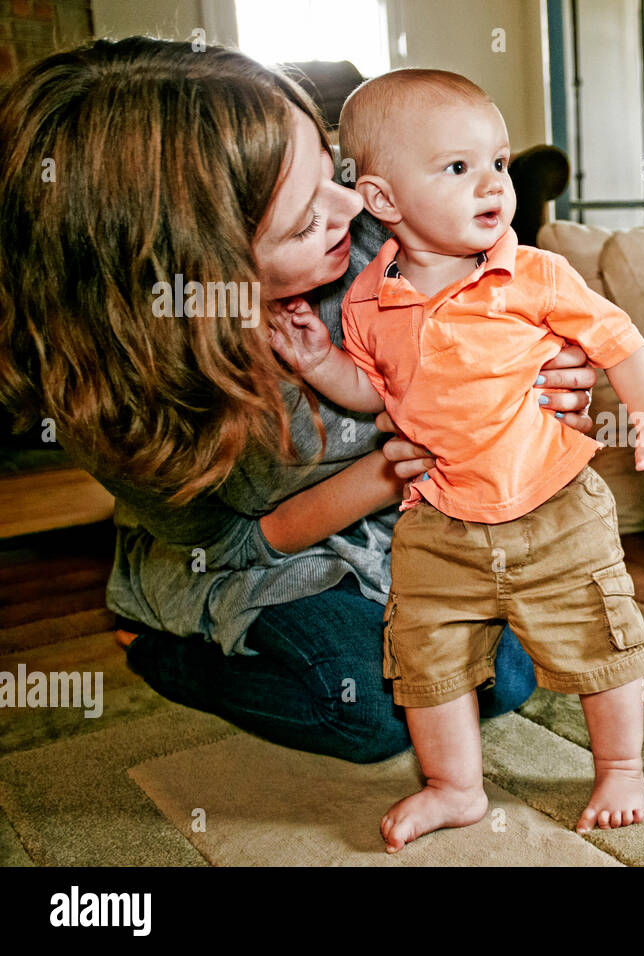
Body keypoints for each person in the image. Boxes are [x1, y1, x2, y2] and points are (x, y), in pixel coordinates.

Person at [0, 38, 601, 764]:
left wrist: (553, 374)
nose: (350, 207)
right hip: (252, 561)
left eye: (331, 169)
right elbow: (226, 544)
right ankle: (165, 648)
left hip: (404, 529)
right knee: (372, 708)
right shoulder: (119, 390)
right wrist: (389, 469)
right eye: (300, 222)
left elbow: (509, 322)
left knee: (505, 676)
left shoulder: (380, 238)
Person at [270, 69, 644, 849]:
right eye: (458, 168)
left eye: (498, 163)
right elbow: (372, 390)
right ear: (384, 202)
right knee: (425, 655)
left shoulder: (531, 273)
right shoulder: (371, 297)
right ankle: (454, 786)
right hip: (437, 521)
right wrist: (317, 363)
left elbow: (619, 341)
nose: (492, 185)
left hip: (553, 507)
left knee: (598, 639)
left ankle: (622, 766)